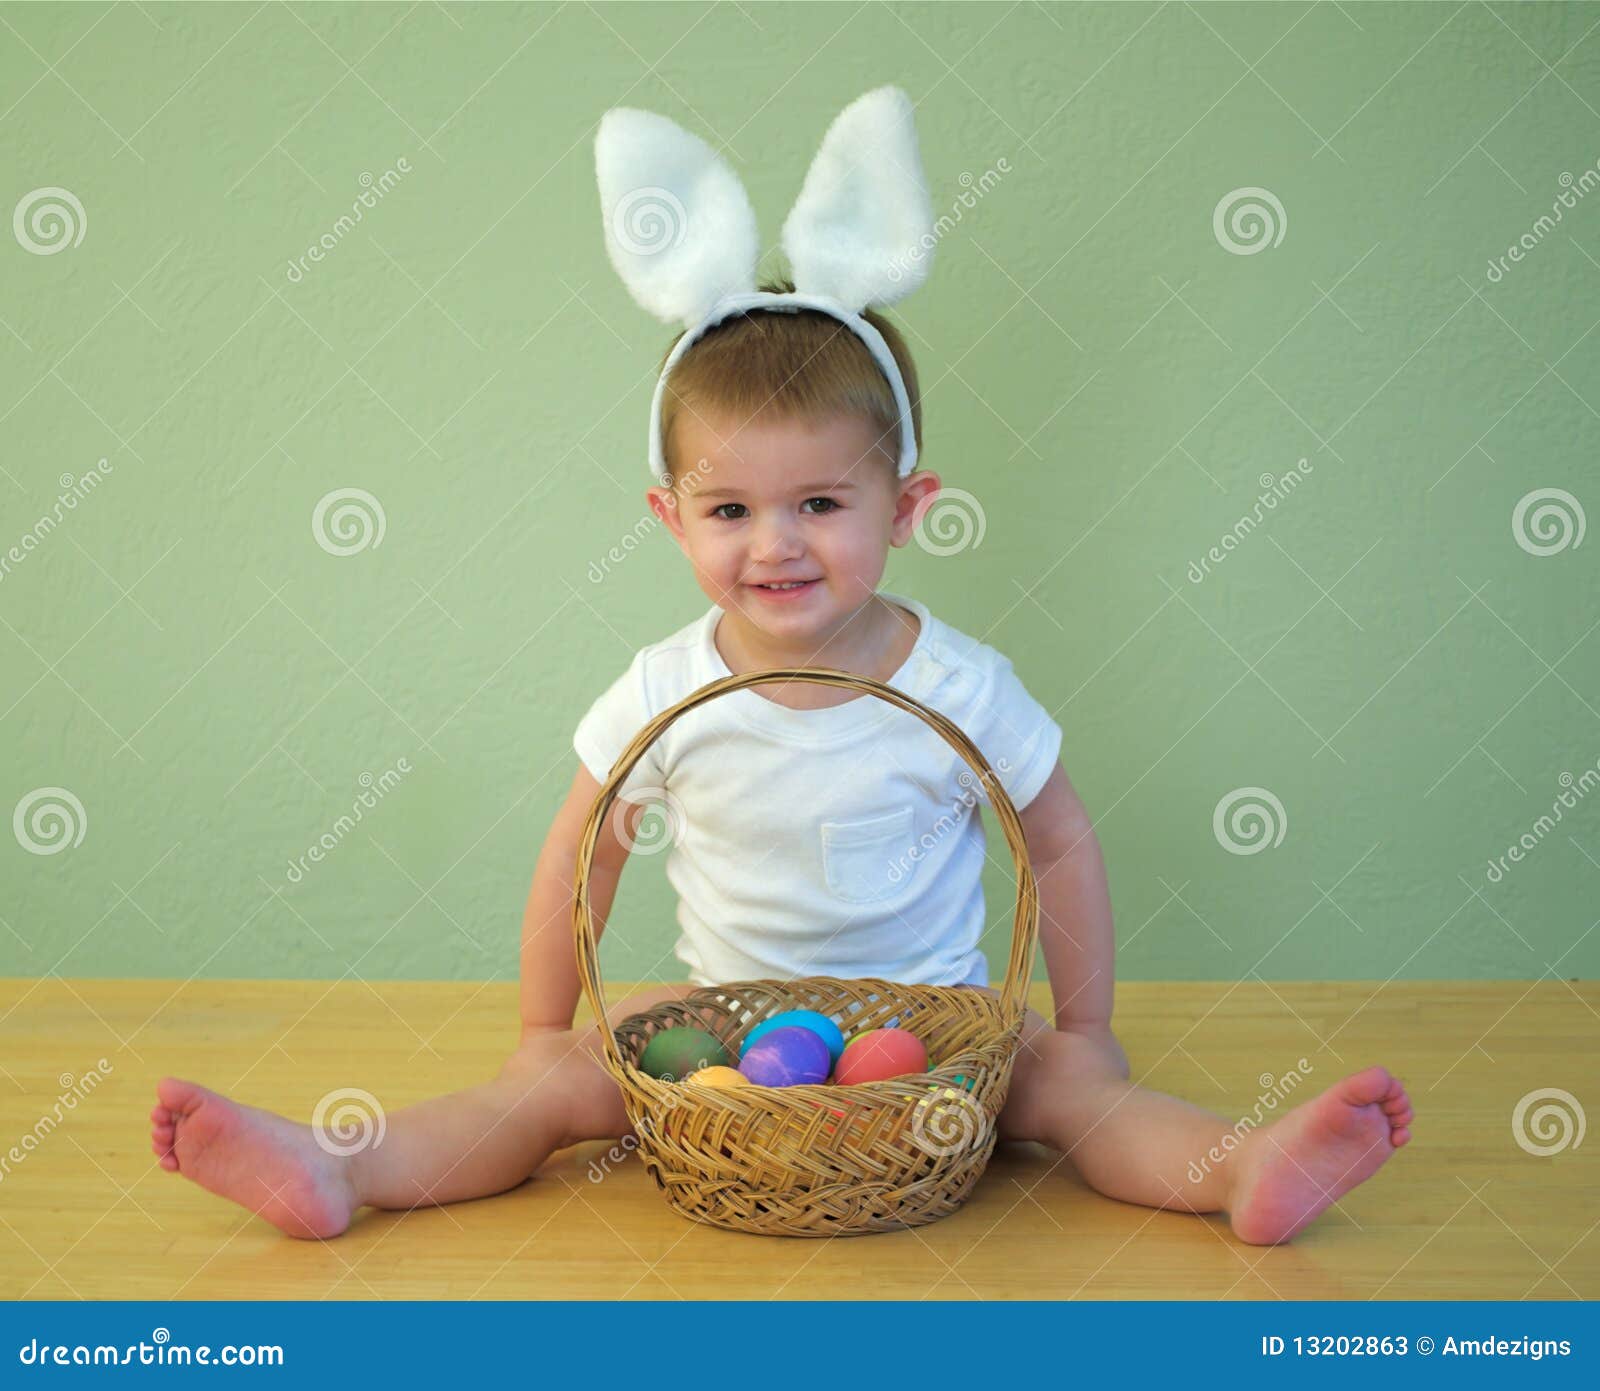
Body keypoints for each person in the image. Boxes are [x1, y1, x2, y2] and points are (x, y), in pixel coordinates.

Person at [150, 87, 1410, 1244]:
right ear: (670, 519)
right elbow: (582, 848)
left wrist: (1083, 1026)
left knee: (1067, 1087)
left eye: (819, 501)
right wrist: (542, 1029)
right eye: (730, 509)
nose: (776, 544)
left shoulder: (958, 685)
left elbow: (1060, 842)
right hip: (731, 1051)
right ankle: (343, 1165)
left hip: (933, 1048)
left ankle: (1240, 1168)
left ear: (904, 506)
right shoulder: (665, 690)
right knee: (555, 1088)